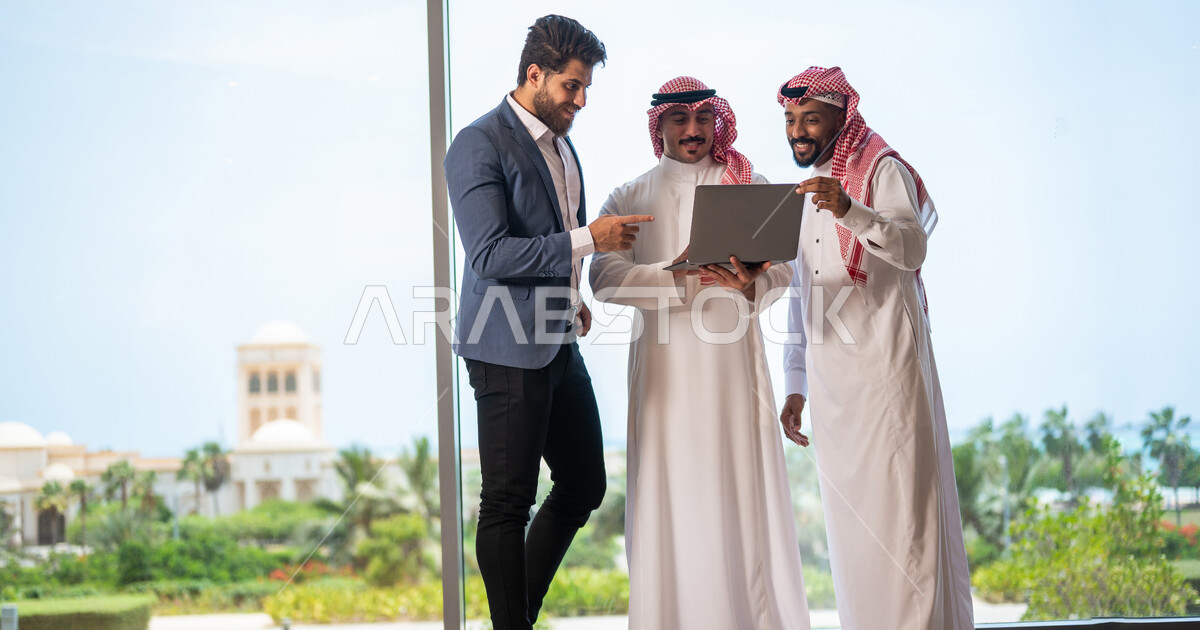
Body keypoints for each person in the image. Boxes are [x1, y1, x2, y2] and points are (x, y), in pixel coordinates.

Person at [444, 16, 652, 630]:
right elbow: (490, 254)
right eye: (571, 86)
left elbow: (547, 240)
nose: (580, 100)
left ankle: (516, 618)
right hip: (505, 349)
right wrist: (592, 239)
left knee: (585, 482)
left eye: (585, 87)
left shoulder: (562, 145)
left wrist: (572, 294)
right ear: (534, 75)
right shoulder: (478, 144)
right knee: (507, 505)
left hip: (557, 339)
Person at [590, 76, 810, 630]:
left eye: (703, 120)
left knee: (739, 493)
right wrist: (677, 278)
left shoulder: (747, 184)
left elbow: (785, 267)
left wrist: (751, 283)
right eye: (679, 121)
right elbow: (603, 277)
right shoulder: (629, 197)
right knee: (671, 500)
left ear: (718, 122)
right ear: (658, 125)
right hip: (664, 376)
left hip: (733, 371)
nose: (693, 132)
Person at [776, 66, 974, 629]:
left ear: (842, 116)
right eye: (791, 120)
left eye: (810, 118)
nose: (799, 131)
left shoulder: (880, 168)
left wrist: (848, 209)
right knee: (854, 536)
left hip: (889, 376)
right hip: (835, 391)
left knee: (906, 529)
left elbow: (912, 248)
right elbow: (801, 290)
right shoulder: (800, 192)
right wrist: (795, 385)